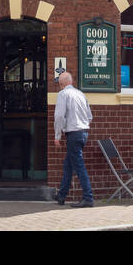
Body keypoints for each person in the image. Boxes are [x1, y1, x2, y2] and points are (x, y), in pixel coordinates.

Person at [53, 71, 94, 207]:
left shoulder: (63, 94)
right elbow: (89, 117)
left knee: (79, 166)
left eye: (59, 84)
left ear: (62, 84)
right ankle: (61, 196)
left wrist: (57, 135)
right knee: (68, 165)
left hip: (73, 134)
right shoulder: (80, 94)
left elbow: (59, 116)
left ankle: (88, 198)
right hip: (83, 133)